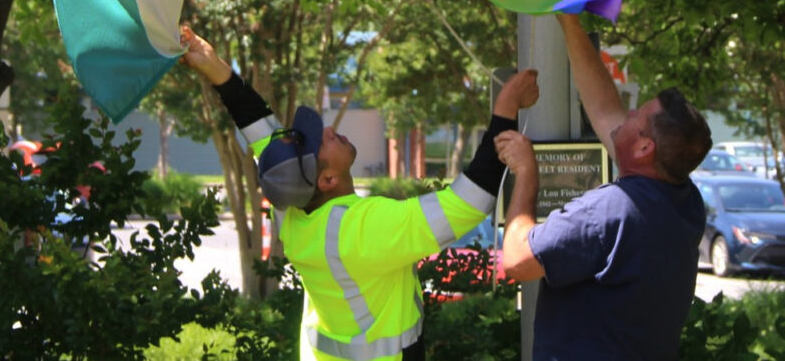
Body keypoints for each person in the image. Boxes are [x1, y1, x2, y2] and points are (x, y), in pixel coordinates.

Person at [180, 24, 538, 361]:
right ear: (328, 181)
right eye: (321, 142)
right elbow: (469, 202)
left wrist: (217, 72)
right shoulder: (364, 229)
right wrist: (505, 109)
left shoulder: (290, 205)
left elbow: (261, 130)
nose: (331, 131)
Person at [495, 12, 712, 361]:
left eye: (636, 116)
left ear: (644, 148)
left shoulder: (613, 208)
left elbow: (518, 260)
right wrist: (568, 20)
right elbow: (603, 106)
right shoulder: (683, 199)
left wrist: (527, 172)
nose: (625, 115)